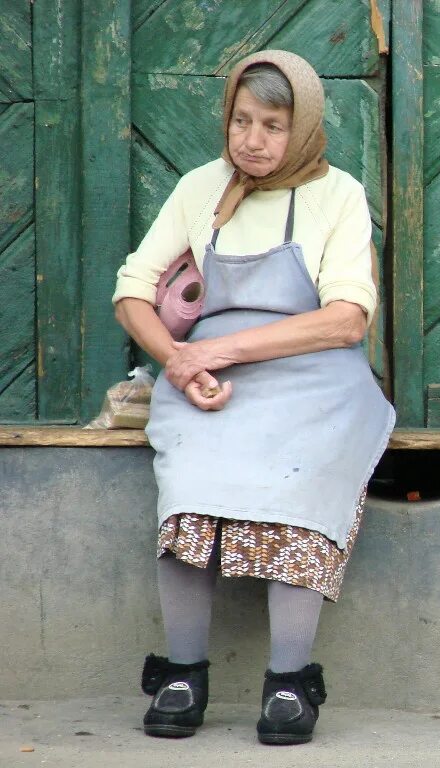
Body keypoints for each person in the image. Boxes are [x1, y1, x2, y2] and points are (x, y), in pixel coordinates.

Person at [113, 50, 394, 744]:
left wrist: (220, 350)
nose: (253, 139)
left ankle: (290, 682)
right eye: (242, 120)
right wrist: (178, 359)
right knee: (192, 478)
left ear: (301, 129)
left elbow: (347, 319)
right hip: (207, 381)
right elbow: (132, 289)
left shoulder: (340, 195)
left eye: (273, 124)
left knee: (304, 486)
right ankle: (182, 672)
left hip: (315, 374)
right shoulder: (200, 187)